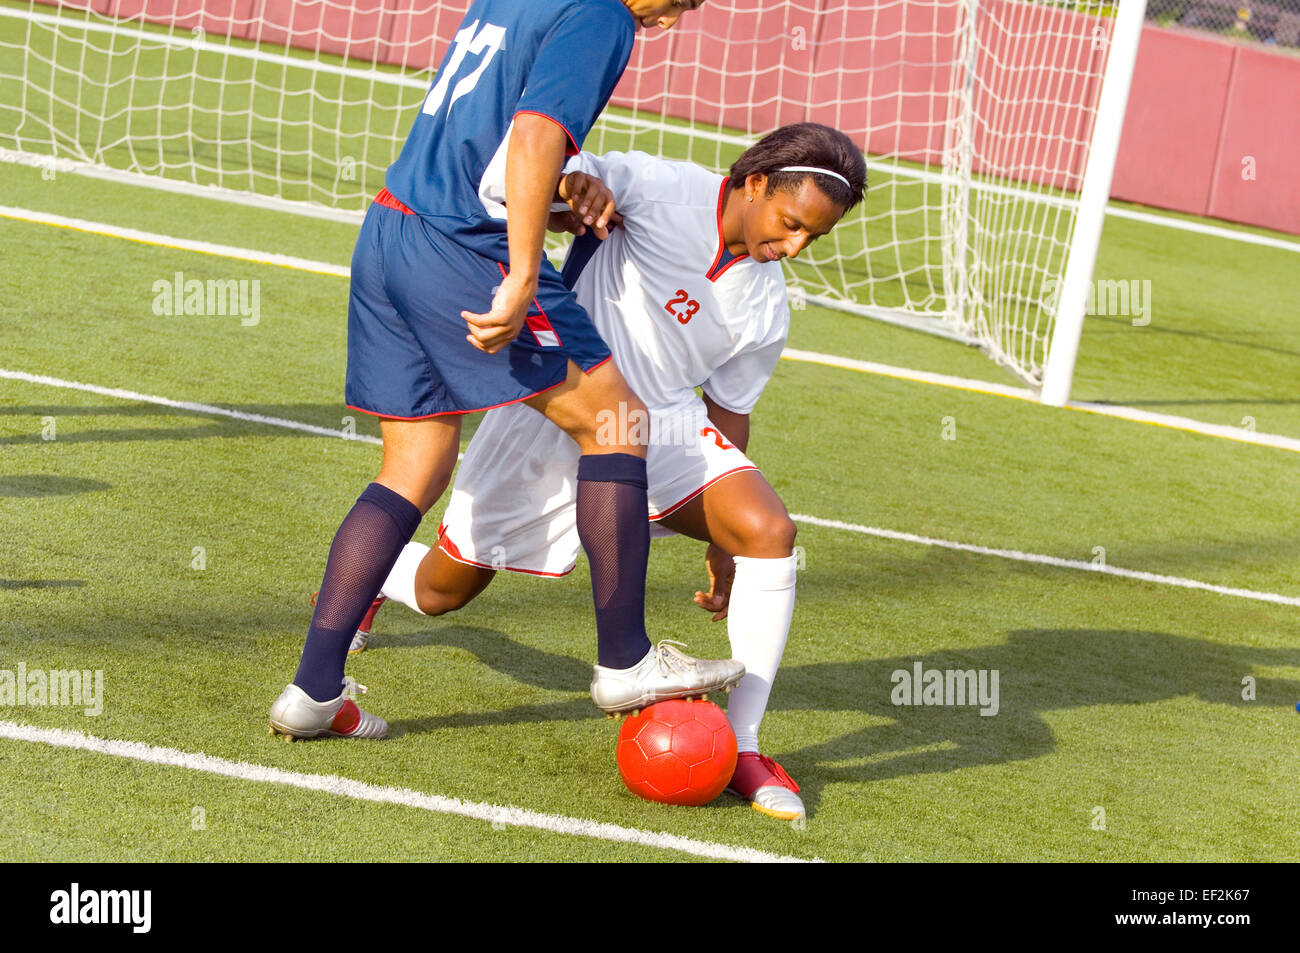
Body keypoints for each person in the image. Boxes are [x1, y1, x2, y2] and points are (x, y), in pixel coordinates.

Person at [267, 0, 746, 742]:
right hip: (465, 246)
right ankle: (625, 660)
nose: (672, 22)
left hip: (391, 227)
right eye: (679, 2)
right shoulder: (604, 15)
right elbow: (532, 134)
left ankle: (313, 689)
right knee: (618, 420)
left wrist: (559, 191)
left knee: (413, 468)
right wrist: (525, 270)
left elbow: (495, 139)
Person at [360, 123, 867, 819]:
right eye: (790, 223)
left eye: (815, 237)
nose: (796, 246)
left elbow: (730, 411)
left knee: (770, 531)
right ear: (754, 184)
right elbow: (551, 174)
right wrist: (579, 185)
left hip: (659, 422)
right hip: (560, 404)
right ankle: (374, 579)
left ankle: (745, 746)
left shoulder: (766, 303)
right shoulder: (666, 190)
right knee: (445, 589)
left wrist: (726, 547)